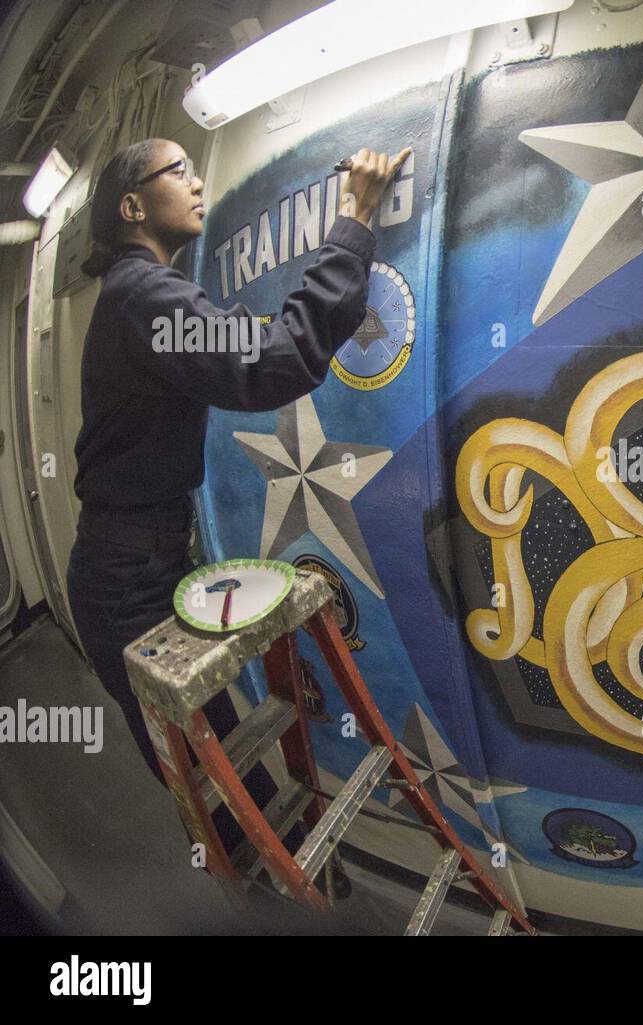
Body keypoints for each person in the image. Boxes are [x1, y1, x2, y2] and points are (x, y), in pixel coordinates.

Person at [65, 137, 411, 830]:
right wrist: (354, 218)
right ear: (133, 206)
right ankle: (260, 897)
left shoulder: (141, 294)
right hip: (125, 569)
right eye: (178, 171)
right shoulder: (144, 298)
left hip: (146, 555)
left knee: (217, 750)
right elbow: (274, 360)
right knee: (204, 770)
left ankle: (267, 866)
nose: (196, 183)